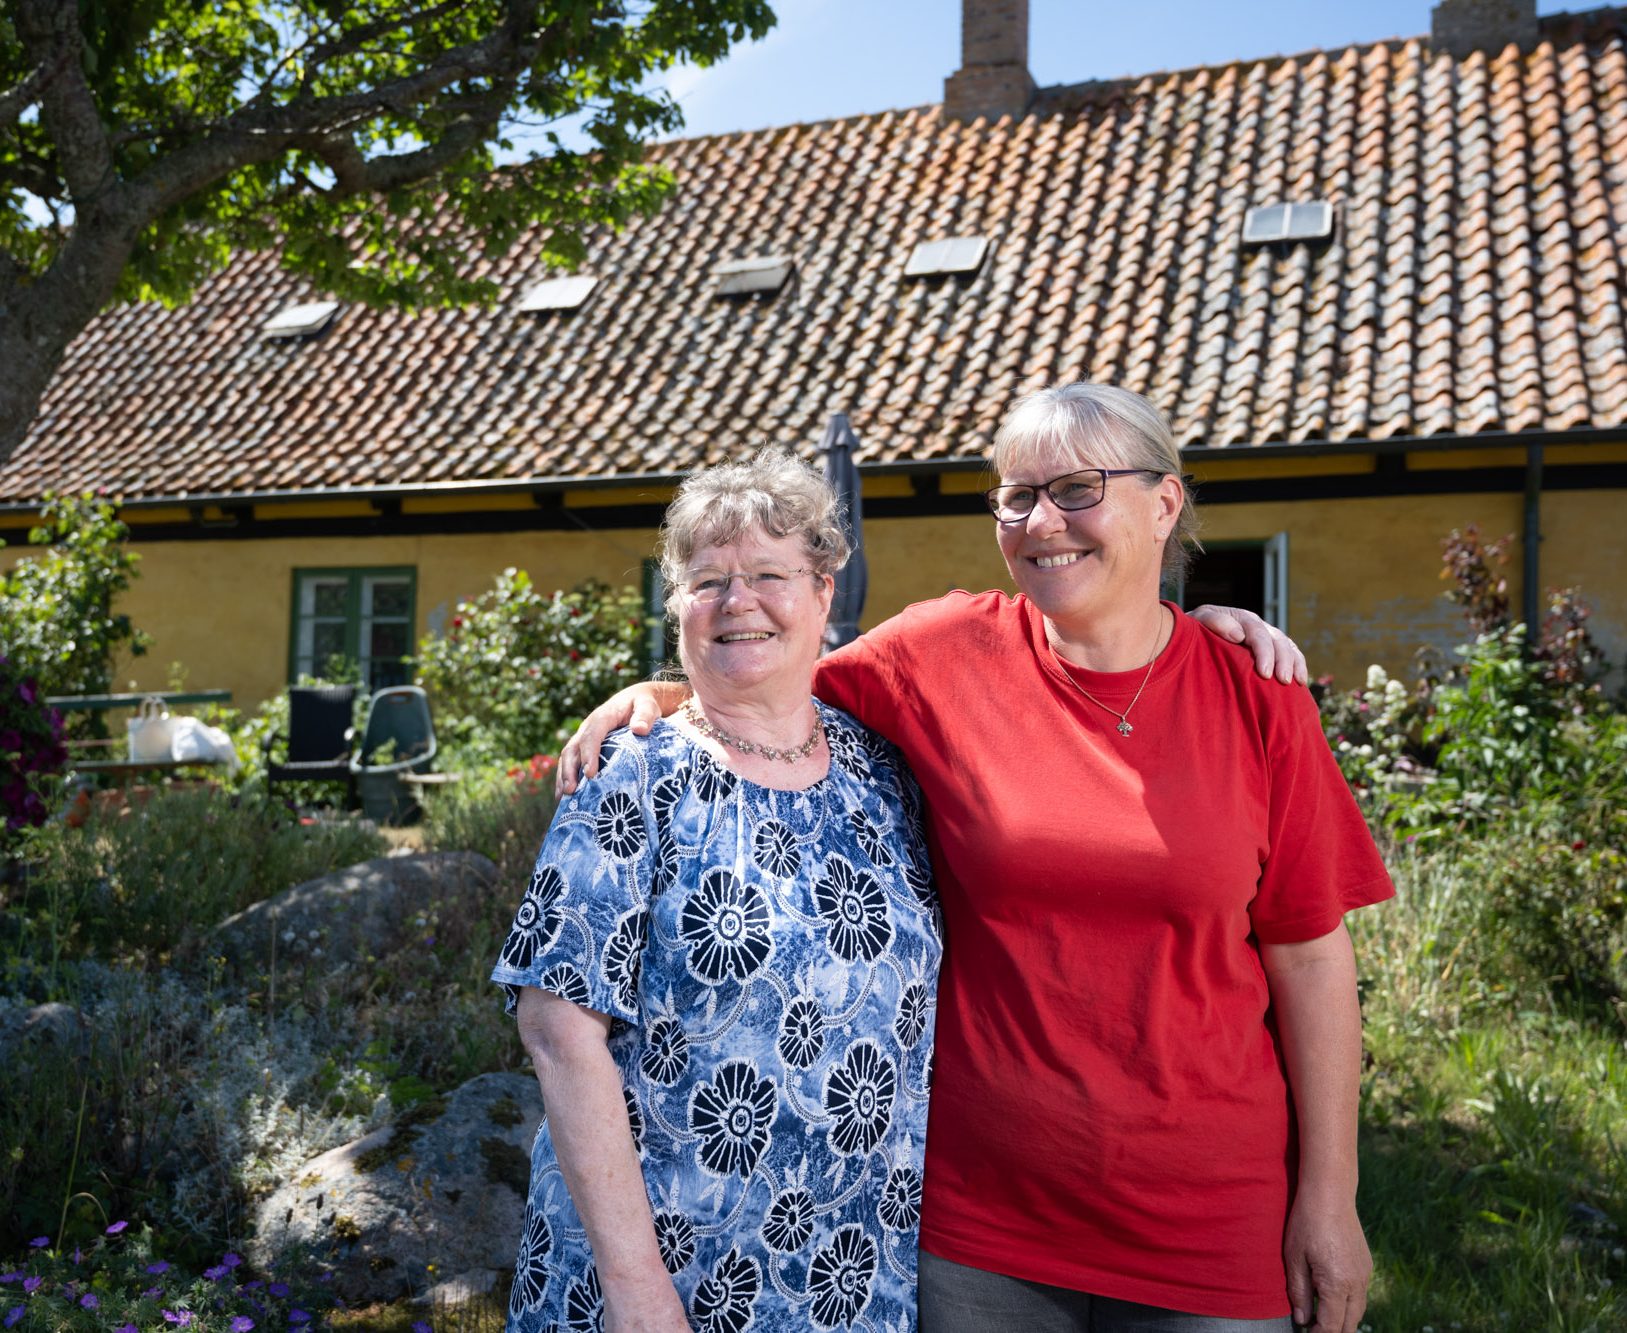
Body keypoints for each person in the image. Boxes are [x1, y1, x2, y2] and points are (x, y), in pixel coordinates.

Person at [559, 384, 1393, 1333]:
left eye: (1078, 489)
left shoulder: (1256, 696)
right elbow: (770, 677)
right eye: (1016, 495)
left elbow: (1312, 958)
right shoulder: (942, 651)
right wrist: (657, 695)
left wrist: (1330, 1197)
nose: (1043, 522)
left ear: (1165, 504)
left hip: (1208, 1224)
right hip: (981, 1227)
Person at [492, 452, 945, 1333]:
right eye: (708, 582)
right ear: (677, 610)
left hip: (853, 1277)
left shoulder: (884, 768)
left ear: (823, 593)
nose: (739, 601)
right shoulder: (634, 775)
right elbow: (558, 1029)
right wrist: (636, 1291)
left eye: (769, 574)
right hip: (668, 1282)